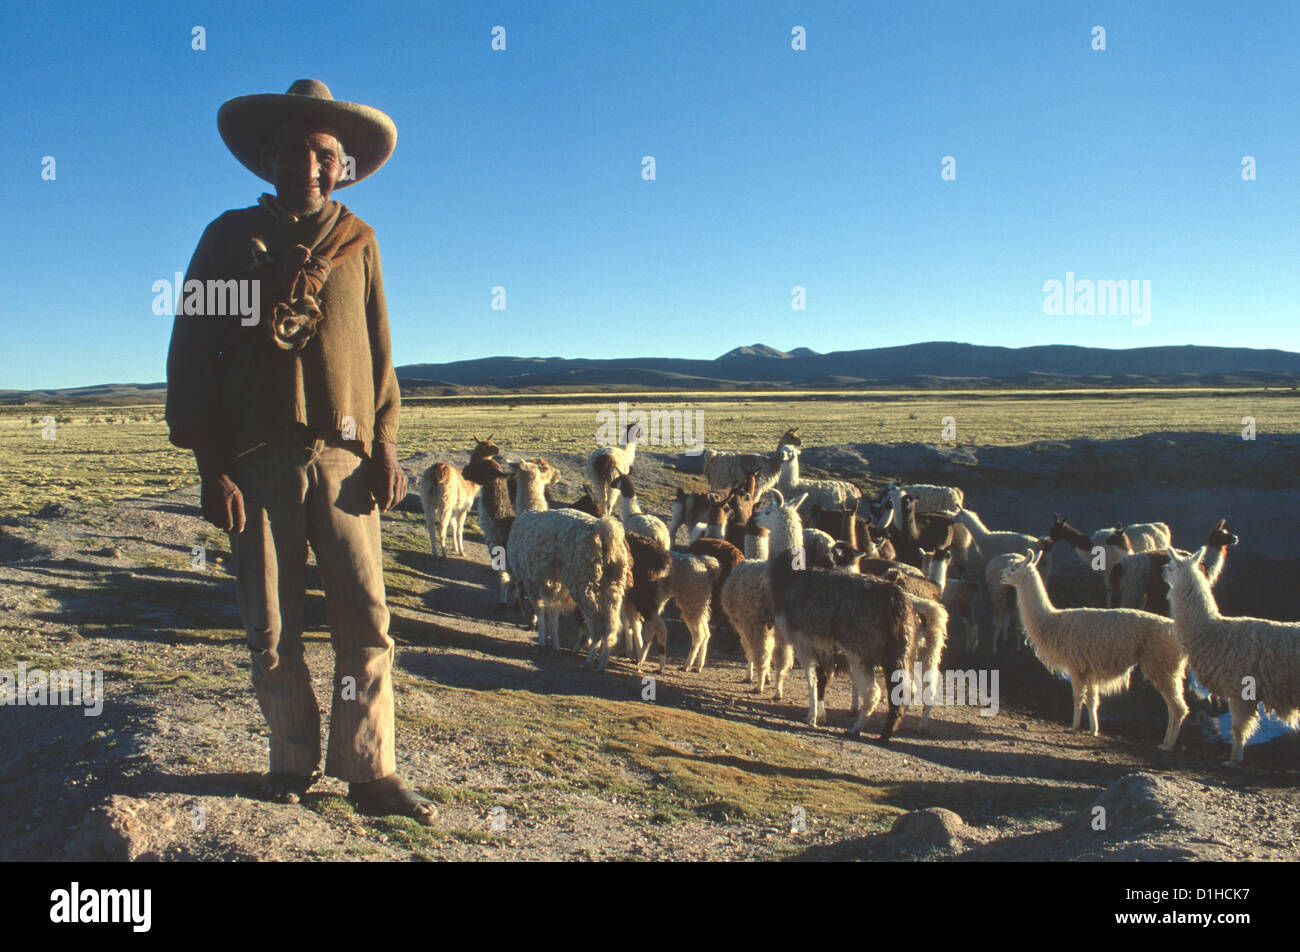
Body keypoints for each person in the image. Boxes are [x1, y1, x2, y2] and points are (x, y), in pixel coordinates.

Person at [165, 79, 434, 824]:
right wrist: (210, 464)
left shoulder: (360, 244)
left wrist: (385, 443)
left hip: (345, 462)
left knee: (366, 618)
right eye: (294, 152)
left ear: (342, 165)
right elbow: (191, 358)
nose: (309, 166)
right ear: (267, 159)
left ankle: (370, 770)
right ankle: (290, 761)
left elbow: (381, 355)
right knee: (273, 624)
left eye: (324, 154)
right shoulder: (228, 241)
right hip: (258, 460)